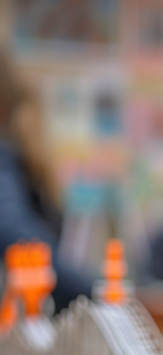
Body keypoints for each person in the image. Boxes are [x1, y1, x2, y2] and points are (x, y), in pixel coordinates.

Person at [0, 49, 93, 311]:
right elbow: (24, 239)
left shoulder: (9, 157)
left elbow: (24, 241)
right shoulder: (22, 157)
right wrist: (97, 289)